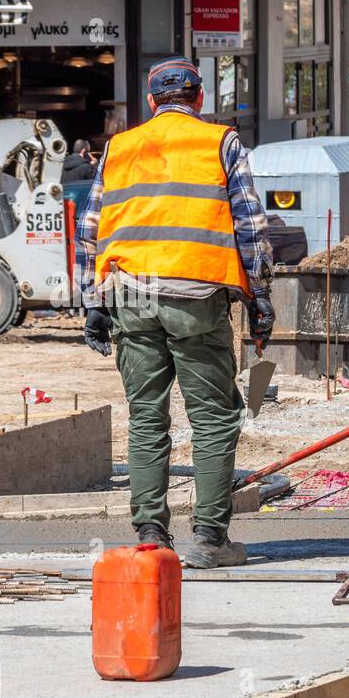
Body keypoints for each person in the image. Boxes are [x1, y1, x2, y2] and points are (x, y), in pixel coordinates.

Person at [75, 56, 274, 568]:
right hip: (195, 294)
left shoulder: (119, 147)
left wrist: (92, 302)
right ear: (200, 98)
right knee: (212, 420)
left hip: (130, 295)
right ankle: (209, 540)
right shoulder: (220, 141)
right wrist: (260, 296)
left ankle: (150, 538)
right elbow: (250, 225)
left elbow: (90, 226)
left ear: (150, 101)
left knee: (146, 418)